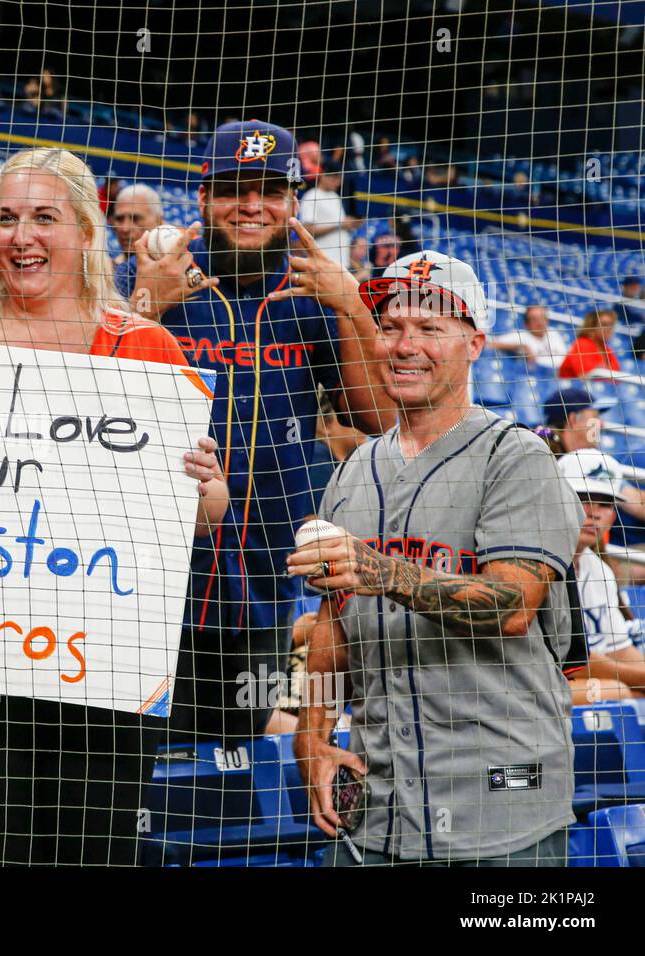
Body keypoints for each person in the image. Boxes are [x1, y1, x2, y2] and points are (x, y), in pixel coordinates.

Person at [0, 147, 230, 866]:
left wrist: (202, 481)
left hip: (103, 665)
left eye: (43, 218)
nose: (20, 236)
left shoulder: (147, 347)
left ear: (87, 232)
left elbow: (208, 507)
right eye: (4, 219)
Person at [288, 249, 582, 866]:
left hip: (500, 804)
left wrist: (380, 571)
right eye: (391, 327)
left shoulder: (517, 458)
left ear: (474, 344)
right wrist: (313, 738)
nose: (404, 344)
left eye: (430, 328)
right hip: (377, 811)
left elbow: (512, 605)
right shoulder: (351, 473)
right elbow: (331, 628)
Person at [134, 119, 395, 745]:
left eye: (270, 191)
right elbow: (82, 400)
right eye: (234, 188)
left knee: (236, 754)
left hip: (259, 586)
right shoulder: (161, 284)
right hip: (148, 579)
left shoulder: (315, 297)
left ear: (293, 203)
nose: (251, 205)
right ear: (203, 197)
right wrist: (144, 300)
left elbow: (383, 421)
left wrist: (354, 303)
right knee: (136, 753)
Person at [558, 450, 645, 704]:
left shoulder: (597, 570)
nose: (593, 513)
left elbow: (620, 650)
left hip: (576, 682)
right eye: (583, 499)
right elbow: (573, 662)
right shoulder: (536, 564)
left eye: (605, 504)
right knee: (617, 691)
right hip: (526, 687)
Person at [107, 183, 163, 297]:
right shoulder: (104, 272)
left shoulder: (176, 271)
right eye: (119, 219)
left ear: (159, 221)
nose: (125, 228)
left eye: (136, 218)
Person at [298, 164, 357, 267]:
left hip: (341, 262)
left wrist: (349, 224)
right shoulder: (312, 196)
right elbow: (307, 230)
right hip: (323, 263)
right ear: (324, 176)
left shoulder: (335, 196)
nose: (338, 183)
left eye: (340, 179)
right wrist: (339, 225)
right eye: (335, 178)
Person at [488, 304, 570, 371]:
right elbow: (490, 344)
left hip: (560, 374)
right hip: (536, 376)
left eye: (542, 318)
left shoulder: (553, 333)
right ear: (526, 324)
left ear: (547, 320)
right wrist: (521, 346)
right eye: (534, 319)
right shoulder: (521, 336)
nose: (540, 323)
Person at [559, 307, 620, 378]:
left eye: (611, 325)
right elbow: (584, 375)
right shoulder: (582, 344)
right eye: (604, 324)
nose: (609, 329)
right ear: (592, 326)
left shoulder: (607, 350)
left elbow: (617, 376)